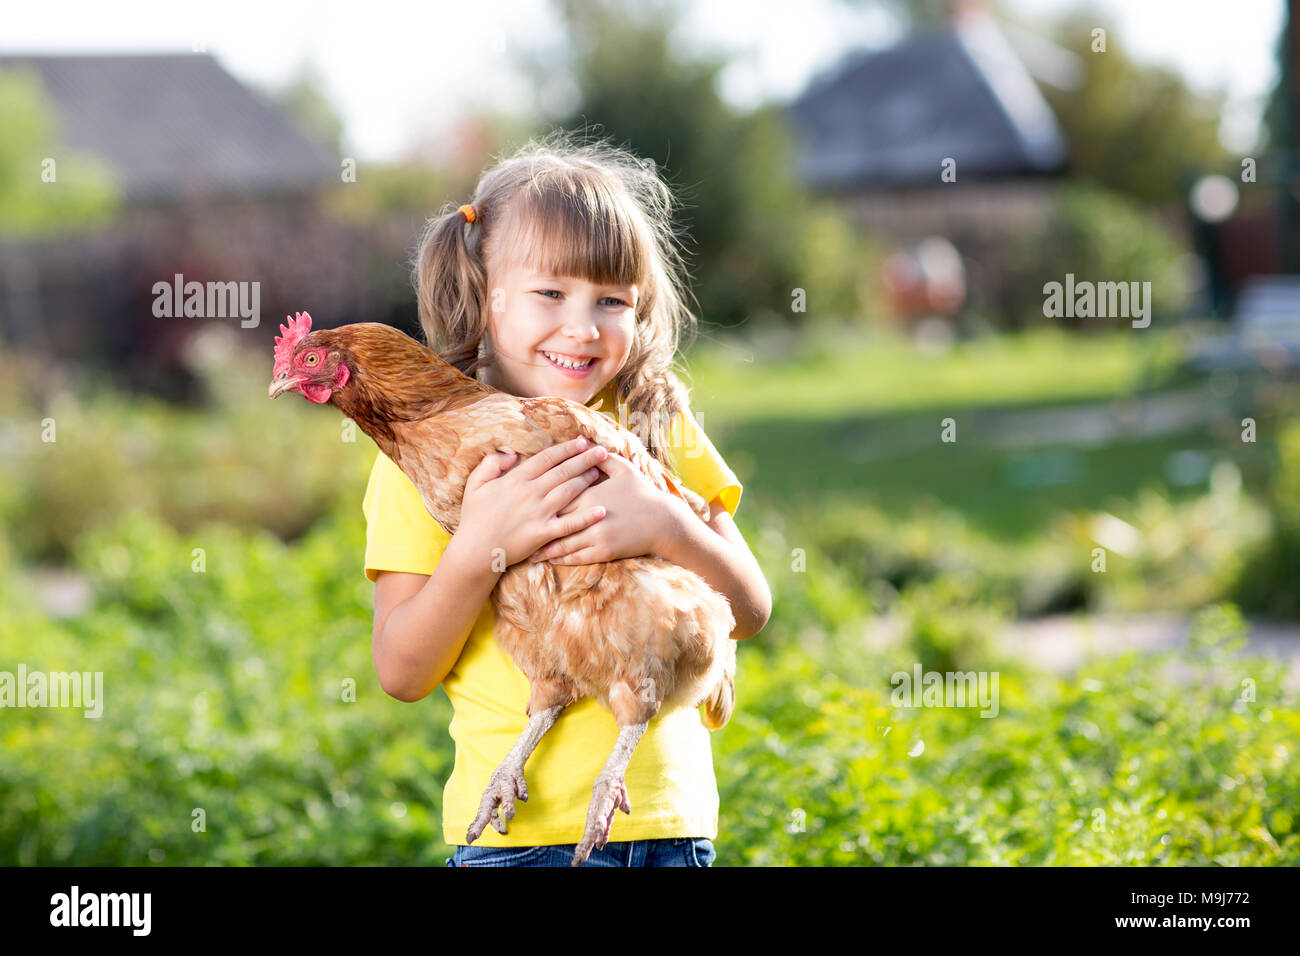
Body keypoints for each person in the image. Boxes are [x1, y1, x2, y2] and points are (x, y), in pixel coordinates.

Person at [362, 131, 771, 867]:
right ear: (489, 299)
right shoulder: (420, 458)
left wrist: (668, 523)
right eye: (551, 293)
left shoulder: (652, 420)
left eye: (611, 301)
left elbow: (748, 610)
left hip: (660, 830)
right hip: (517, 842)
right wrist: (481, 543)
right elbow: (402, 671)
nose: (582, 328)